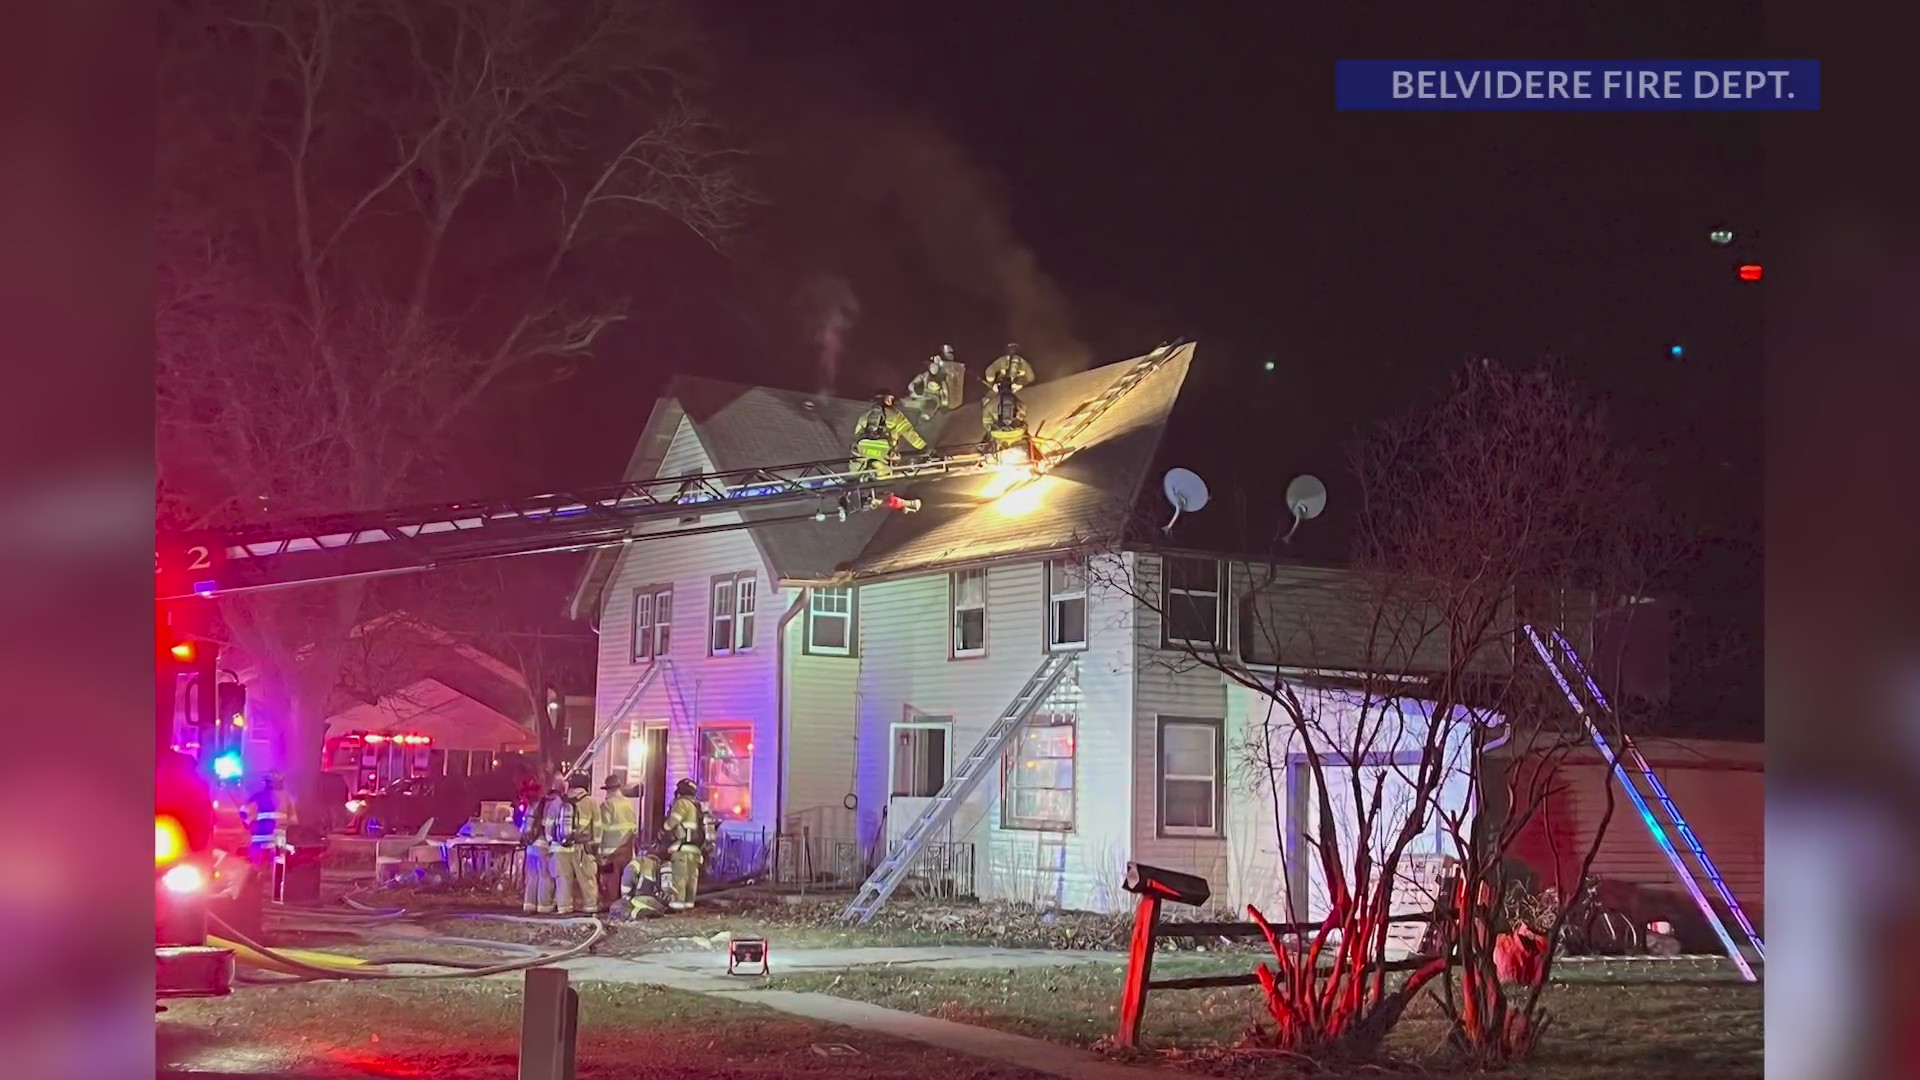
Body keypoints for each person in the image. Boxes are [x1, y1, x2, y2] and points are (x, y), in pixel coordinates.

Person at [545, 772, 601, 915]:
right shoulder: (590, 801)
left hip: (559, 848)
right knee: (587, 878)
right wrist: (594, 849)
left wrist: (551, 843)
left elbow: (548, 825)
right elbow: (597, 827)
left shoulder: (558, 801)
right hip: (580, 848)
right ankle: (590, 908)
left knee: (563, 879)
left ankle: (564, 908)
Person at [661, 778, 715, 911]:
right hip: (696, 851)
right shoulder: (698, 806)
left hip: (682, 849)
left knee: (679, 879)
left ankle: (677, 908)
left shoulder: (682, 804)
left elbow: (669, 825)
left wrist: (665, 826)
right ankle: (688, 907)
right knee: (692, 881)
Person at [850, 392, 927, 481]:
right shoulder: (895, 415)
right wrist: (924, 448)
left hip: (861, 462)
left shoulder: (864, 416)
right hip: (884, 458)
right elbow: (909, 433)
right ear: (887, 399)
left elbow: (856, 440)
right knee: (883, 477)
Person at [519, 771, 565, 914]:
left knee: (532, 875)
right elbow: (551, 824)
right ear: (560, 786)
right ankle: (544, 906)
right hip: (543, 844)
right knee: (545, 875)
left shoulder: (539, 800)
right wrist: (552, 842)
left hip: (531, 844)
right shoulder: (557, 802)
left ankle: (529, 905)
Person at [595, 773, 639, 913]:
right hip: (626, 851)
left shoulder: (607, 805)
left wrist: (596, 850)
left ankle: (612, 906)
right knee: (624, 881)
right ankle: (625, 905)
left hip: (610, 853)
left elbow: (600, 829)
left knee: (611, 884)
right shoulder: (629, 804)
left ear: (608, 789)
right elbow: (634, 827)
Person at [239, 772, 295, 862]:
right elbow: (293, 821)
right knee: (279, 862)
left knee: (254, 863)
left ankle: (255, 871)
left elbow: (244, 812)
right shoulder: (288, 798)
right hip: (279, 838)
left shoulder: (257, 796)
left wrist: (247, 824)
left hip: (259, 838)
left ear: (265, 783)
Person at [980, 372, 1030, 455]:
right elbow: (1024, 412)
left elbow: (986, 423)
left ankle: (984, 453)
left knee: (986, 440)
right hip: (1018, 433)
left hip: (997, 434)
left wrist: (991, 429)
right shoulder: (1017, 401)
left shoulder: (990, 404)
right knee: (1026, 434)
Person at [903, 347, 954, 421]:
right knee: (908, 403)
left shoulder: (941, 379)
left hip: (934, 398)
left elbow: (945, 393)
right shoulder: (924, 376)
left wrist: (945, 404)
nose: (934, 369)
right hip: (923, 395)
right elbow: (911, 385)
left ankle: (926, 415)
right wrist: (915, 388)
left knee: (931, 405)